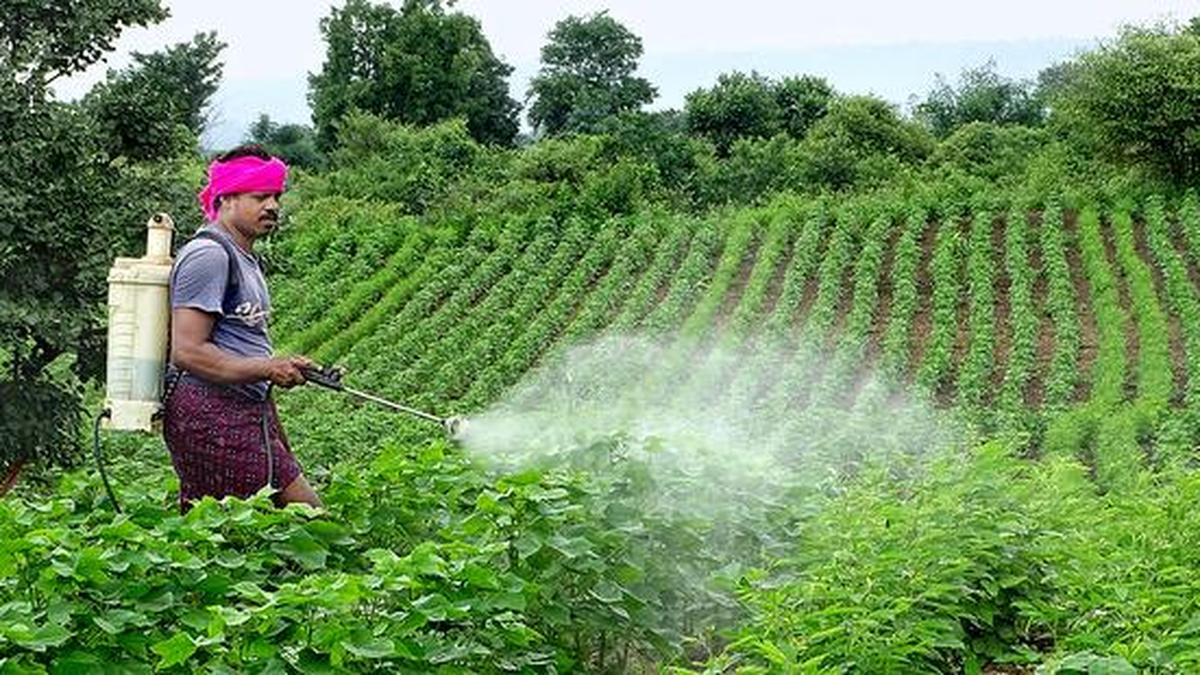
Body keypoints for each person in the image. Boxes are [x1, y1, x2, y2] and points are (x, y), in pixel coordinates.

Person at [163, 143, 322, 514]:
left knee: (241, 531)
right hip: (210, 414)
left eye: (276, 196)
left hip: (244, 407)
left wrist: (281, 439)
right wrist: (270, 367)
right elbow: (187, 351)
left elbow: (249, 349)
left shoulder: (246, 258)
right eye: (260, 196)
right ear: (227, 198)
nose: (273, 206)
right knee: (307, 523)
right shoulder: (209, 256)